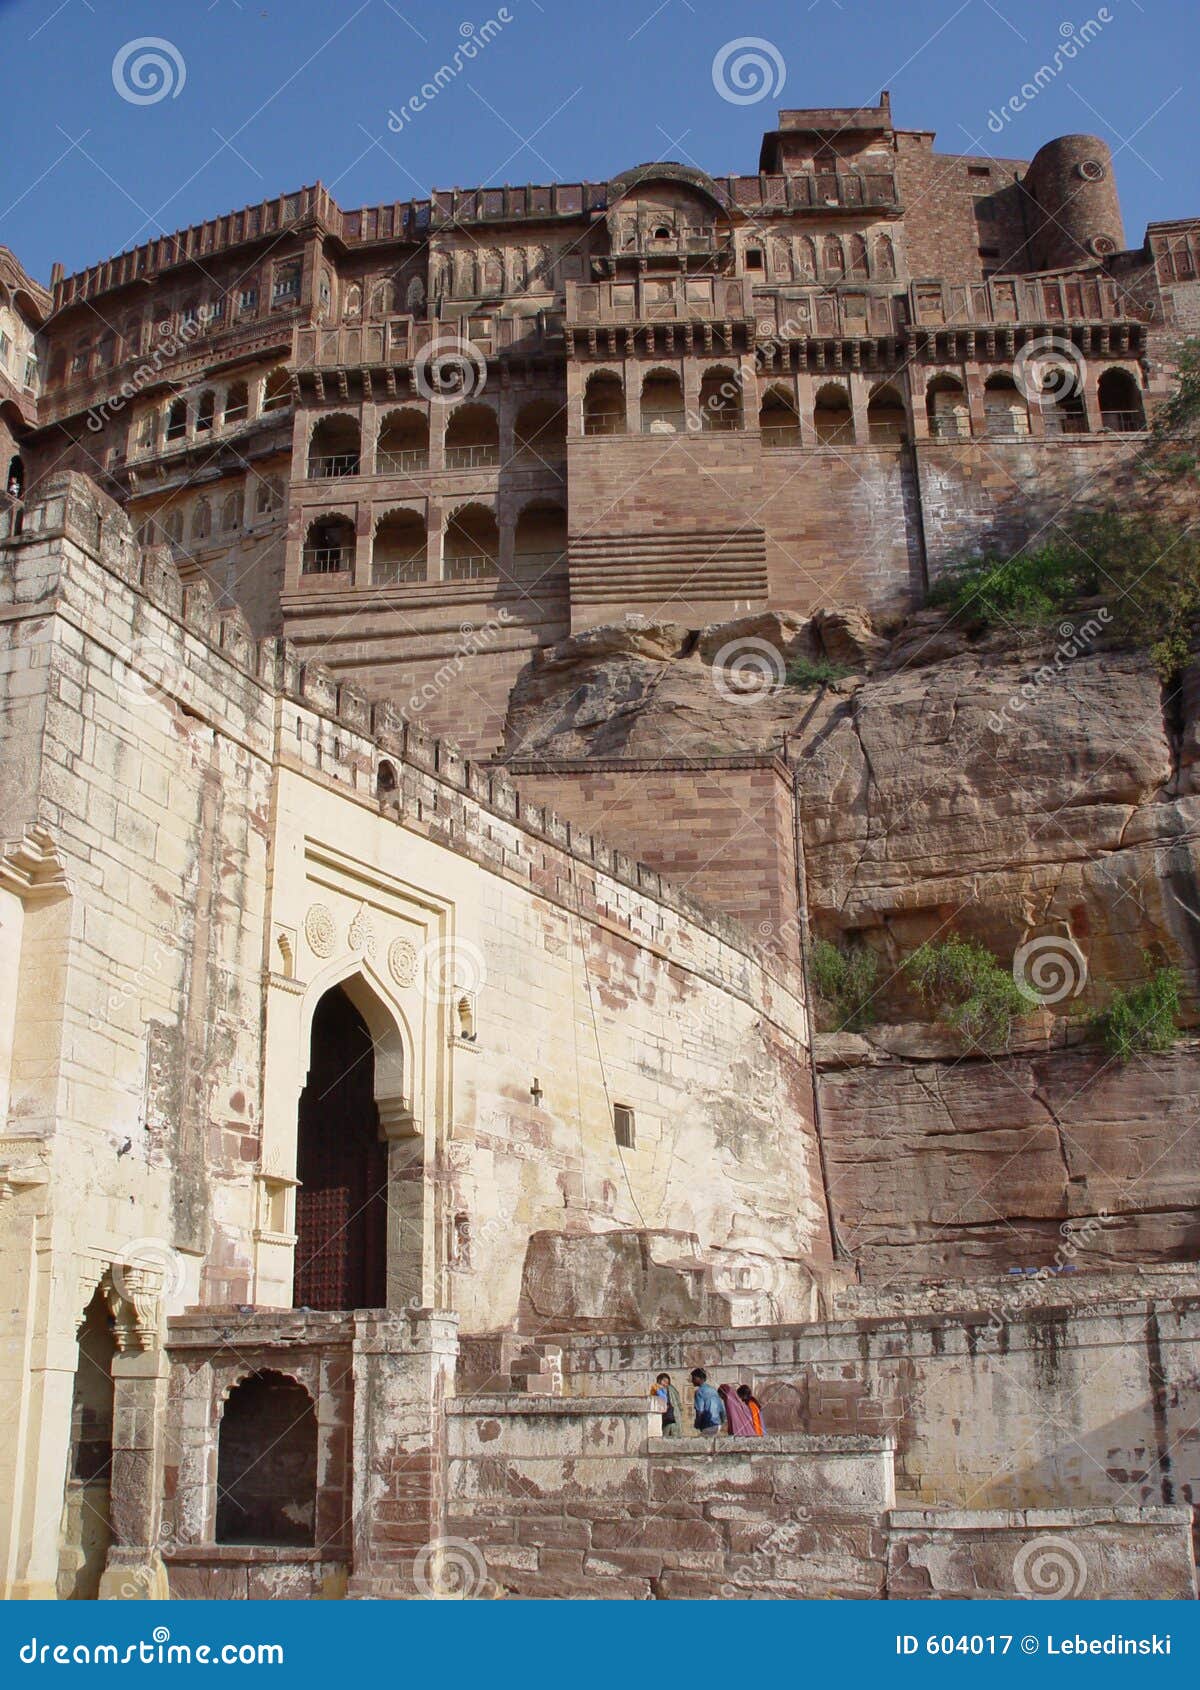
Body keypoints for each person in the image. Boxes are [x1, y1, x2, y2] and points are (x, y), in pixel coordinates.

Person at [690, 1367, 725, 1433]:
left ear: (699, 1378)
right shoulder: (713, 1390)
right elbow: (721, 1408)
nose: (692, 1381)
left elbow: (700, 1411)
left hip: (708, 1424)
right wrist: (722, 1421)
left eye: (693, 1378)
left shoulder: (699, 1392)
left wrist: (697, 1424)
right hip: (717, 1423)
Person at [651, 1371, 683, 1437]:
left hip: (668, 1417)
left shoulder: (659, 1388)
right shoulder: (673, 1389)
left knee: (665, 1437)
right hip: (675, 1417)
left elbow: (660, 1400)